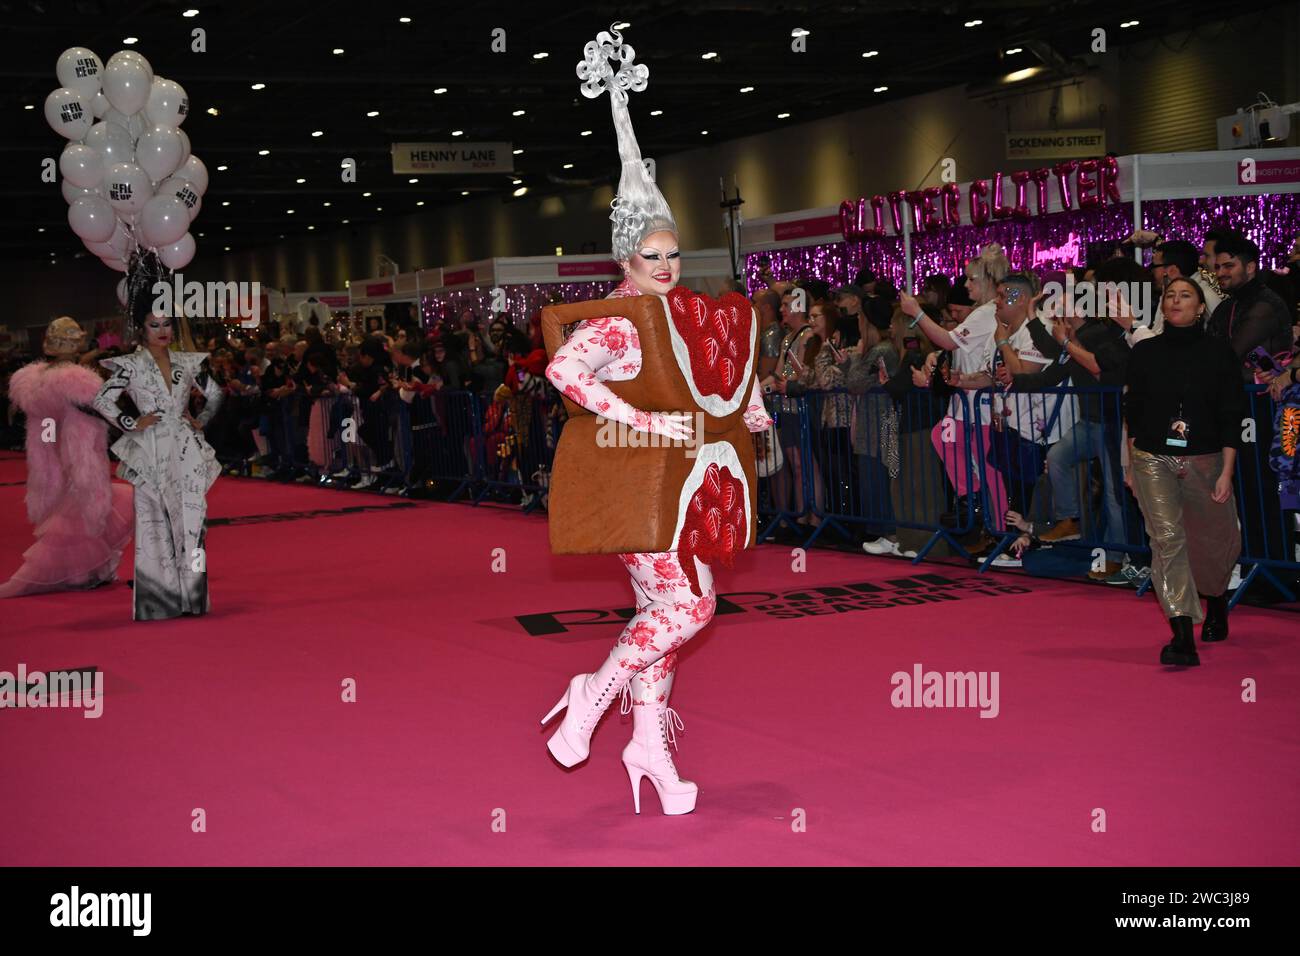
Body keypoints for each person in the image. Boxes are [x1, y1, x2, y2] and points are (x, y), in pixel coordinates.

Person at [540, 26, 771, 815]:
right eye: (651, 257)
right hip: (641, 489)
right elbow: (562, 371)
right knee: (690, 609)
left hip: (693, 486)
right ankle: (593, 692)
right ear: (624, 262)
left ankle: (647, 747)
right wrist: (637, 422)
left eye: (672, 254)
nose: (666, 268)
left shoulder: (688, 320)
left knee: (661, 617)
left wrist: (750, 404)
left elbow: (720, 386)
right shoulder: (618, 322)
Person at [1123, 277, 1244, 666]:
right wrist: (1130, 462)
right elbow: (1132, 412)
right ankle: (1181, 634)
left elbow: (1231, 414)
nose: (1176, 301)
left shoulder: (1219, 353)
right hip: (1151, 458)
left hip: (1206, 459)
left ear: (1200, 307)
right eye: (1170, 296)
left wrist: (1227, 471)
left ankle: (1217, 599)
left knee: (1211, 541)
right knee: (1167, 540)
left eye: (1185, 295)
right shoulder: (1144, 352)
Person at [92, 312, 223, 620]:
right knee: (153, 523)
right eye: (154, 325)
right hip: (150, 449)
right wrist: (132, 422)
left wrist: (199, 421)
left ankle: (194, 598)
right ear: (142, 330)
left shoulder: (188, 362)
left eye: (167, 325)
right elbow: (101, 399)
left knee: (192, 521)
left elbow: (215, 394)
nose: (162, 331)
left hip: (185, 448)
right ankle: (159, 602)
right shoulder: (131, 366)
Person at [1, 318, 133, 599]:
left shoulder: (32, 379)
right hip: (78, 451)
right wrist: (134, 425)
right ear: (75, 344)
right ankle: (82, 572)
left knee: (71, 508)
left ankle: (89, 572)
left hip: (50, 450)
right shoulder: (76, 379)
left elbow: (43, 417)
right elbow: (100, 409)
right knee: (85, 508)